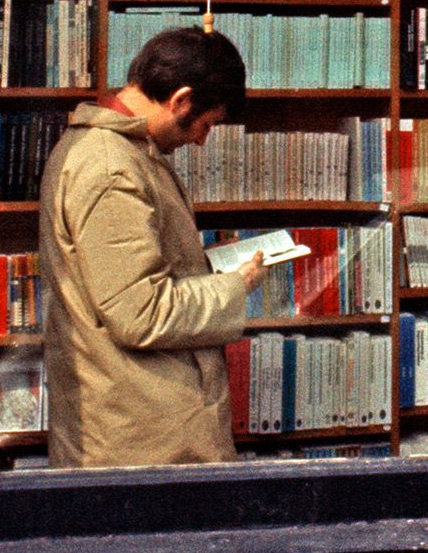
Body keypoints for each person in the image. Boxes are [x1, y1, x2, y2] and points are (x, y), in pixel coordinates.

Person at [38, 26, 268, 468]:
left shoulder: (119, 152)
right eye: (206, 124)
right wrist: (237, 285)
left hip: (138, 426)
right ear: (181, 99)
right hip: (141, 439)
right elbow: (141, 314)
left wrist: (207, 266)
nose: (201, 140)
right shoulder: (111, 167)